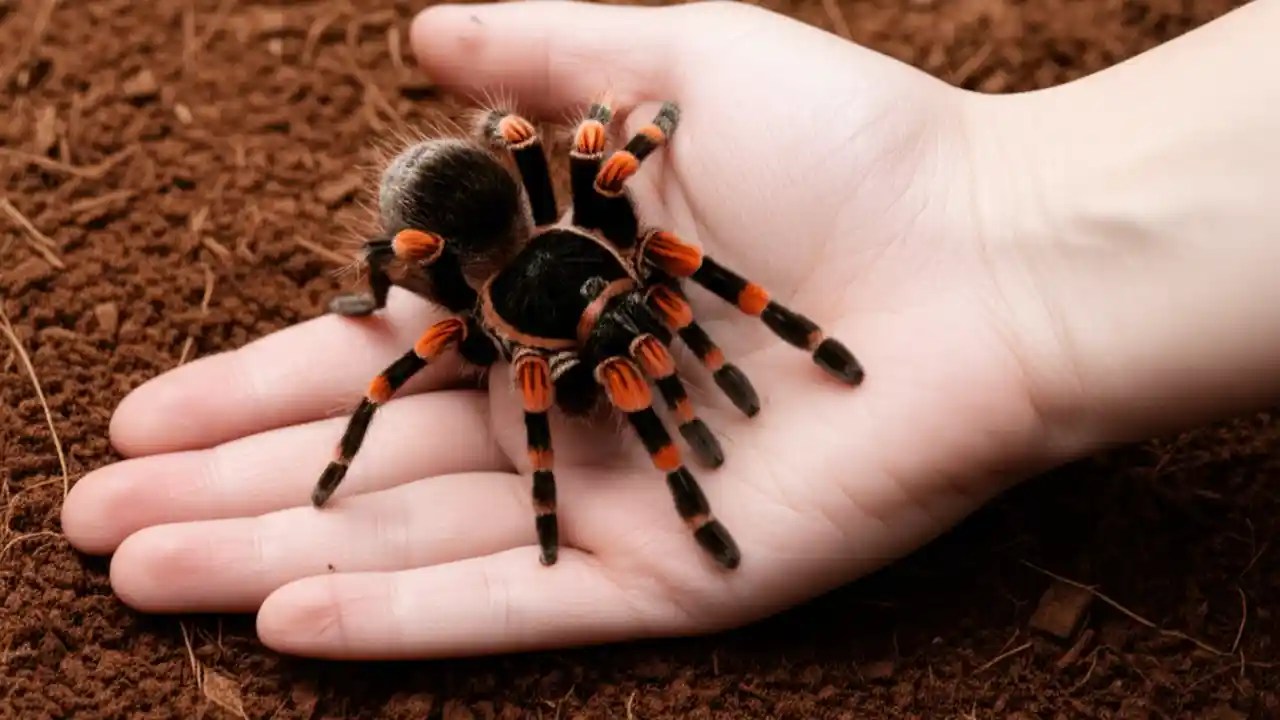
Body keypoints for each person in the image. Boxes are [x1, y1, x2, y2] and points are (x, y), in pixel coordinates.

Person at [60, 0, 1280, 659]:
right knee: (448, 351)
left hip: (552, 243)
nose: (643, 314)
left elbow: (612, 146)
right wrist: (521, 486)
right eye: (629, 309)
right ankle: (670, 502)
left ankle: (772, 379)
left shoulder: (628, 247)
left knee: (644, 279)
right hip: (484, 254)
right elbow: (415, 353)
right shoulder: (481, 314)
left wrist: (937, 239)